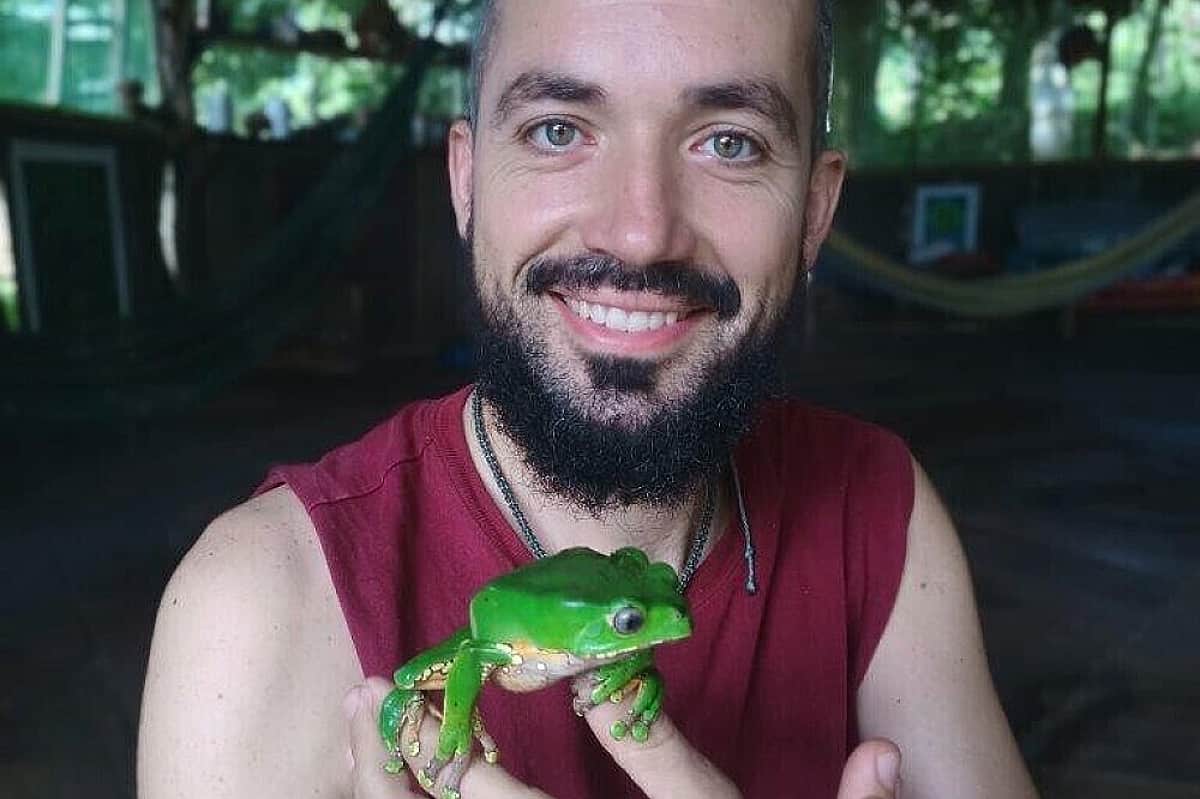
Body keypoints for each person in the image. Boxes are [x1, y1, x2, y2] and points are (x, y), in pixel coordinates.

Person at [137, 1, 1040, 797]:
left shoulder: (881, 510)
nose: (641, 232)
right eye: (559, 129)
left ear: (814, 210)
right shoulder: (250, 606)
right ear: (466, 180)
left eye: (730, 140)